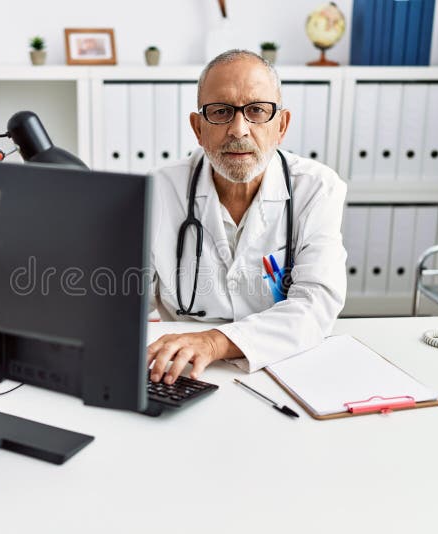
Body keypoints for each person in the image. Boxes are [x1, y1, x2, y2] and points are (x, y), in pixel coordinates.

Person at [146, 49, 347, 384]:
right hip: (182, 371)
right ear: (198, 128)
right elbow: (120, 303)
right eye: (221, 112)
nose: (238, 130)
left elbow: (316, 304)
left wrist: (215, 343)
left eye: (256, 110)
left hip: (282, 365)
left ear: (281, 125)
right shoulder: (157, 191)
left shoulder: (317, 188)